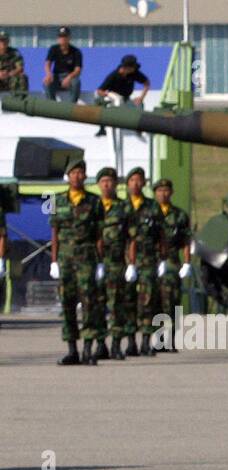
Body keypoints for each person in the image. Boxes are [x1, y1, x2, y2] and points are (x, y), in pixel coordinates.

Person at [49, 159, 105, 365]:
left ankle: (88, 349)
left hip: (87, 259)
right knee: (67, 304)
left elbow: (100, 234)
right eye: (73, 173)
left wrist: (100, 262)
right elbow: (54, 233)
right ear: (67, 176)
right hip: (65, 260)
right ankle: (72, 349)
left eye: (80, 172)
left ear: (85, 176)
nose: (77, 176)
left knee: (89, 303)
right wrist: (53, 261)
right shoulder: (56, 200)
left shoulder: (94, 201)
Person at [95, 167, 134, 362]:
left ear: (116, 185)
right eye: (103, 181)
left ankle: (117, 344)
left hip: (117, 263)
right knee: (97, 305)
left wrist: (131, 264)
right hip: (95, 264)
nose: (107, 185)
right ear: (98, 184)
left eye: (110, 181)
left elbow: (131, 238)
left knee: (117, 304)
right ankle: (101, 344)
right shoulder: (93, 206)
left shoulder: (125, 208)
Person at [124, 167, 162, 355]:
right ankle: (130, 341)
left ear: (144, 183)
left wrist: (161, 259)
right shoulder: (120, 207)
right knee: (128, 301)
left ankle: (146, 340)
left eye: (139, 180)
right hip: (124, 260)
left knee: (147, 301)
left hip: (147, 259)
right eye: (132, 180)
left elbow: (160, 234)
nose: (136, 184)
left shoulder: (152, 207)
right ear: (127, 184)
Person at [154, 178, 192, 336]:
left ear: (171, 192)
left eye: (166, 190)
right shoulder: (150, 212)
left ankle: (171, 337)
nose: (163, 194)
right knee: (154, 300)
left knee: (172, 300)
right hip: (151, 260)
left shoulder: (179, 215)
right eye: (160, 191)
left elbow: (186, 241)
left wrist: (187, 263)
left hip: (171, 260)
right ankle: (158, 336)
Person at [94, 55, 150, 136]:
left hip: (126, 99)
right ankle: (103, 128)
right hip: (113, 99)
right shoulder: (113, 76)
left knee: (140, 105)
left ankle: (139, 129)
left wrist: (141, 97)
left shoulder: (134, 73)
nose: (134, 69)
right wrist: (108, 94)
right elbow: (99, 91)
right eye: (132, 67)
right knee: (116, 101)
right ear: (127, 67)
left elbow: (147, 83)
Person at [43, 27, 83, 104]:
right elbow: (48, 63)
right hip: (57, 76)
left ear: (69, 38)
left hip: (69, 77)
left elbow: (78, 70)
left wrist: (69, 77)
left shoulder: (76, 51)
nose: (63, 39)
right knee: (46, 83)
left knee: (76, 82)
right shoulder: (53, 49)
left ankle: (72, 105)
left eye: (65, 36)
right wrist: (48, 74)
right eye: (61, 37)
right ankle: (52, 104)